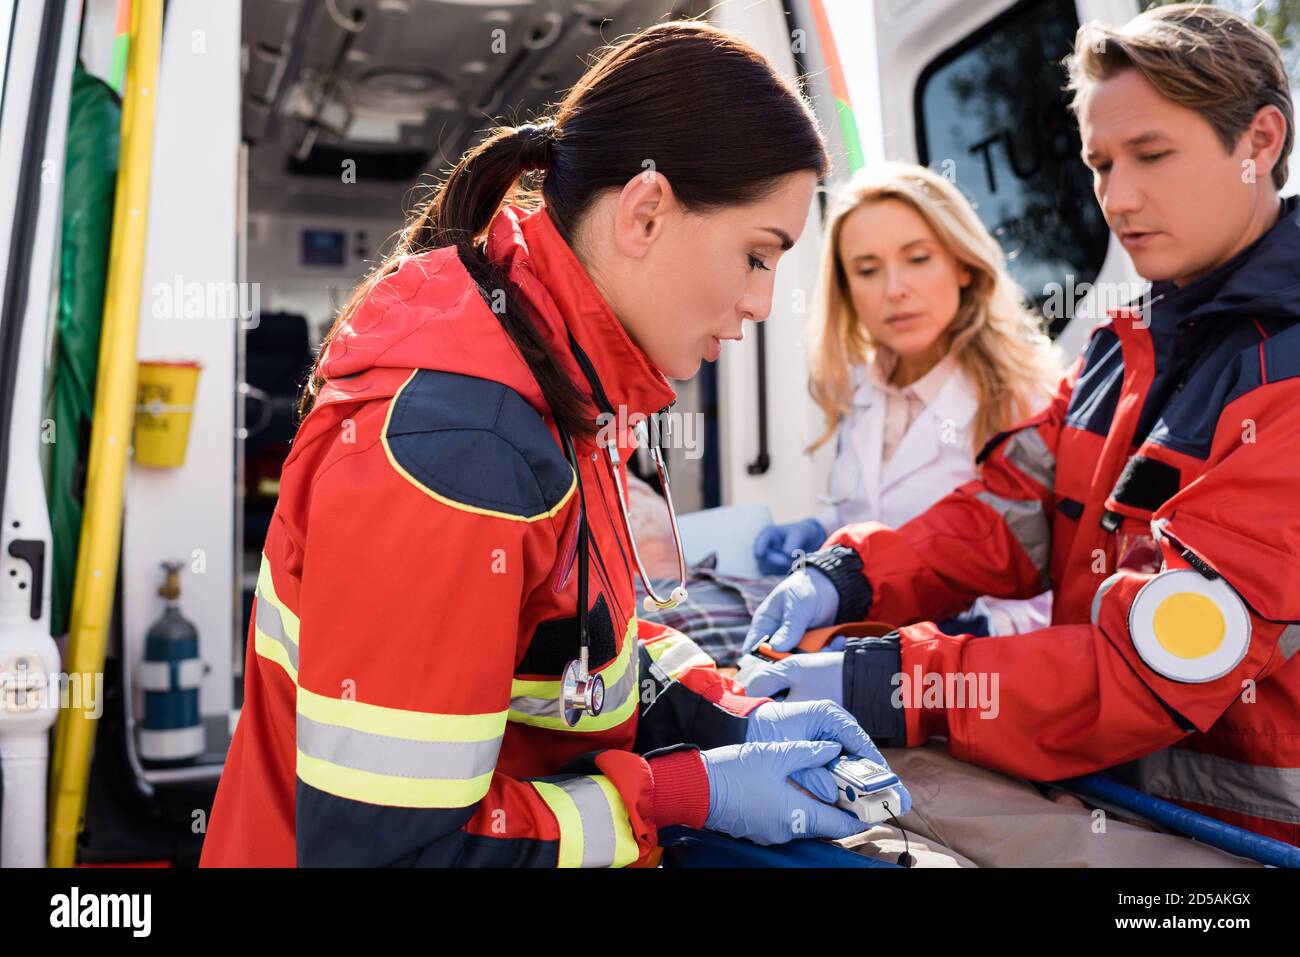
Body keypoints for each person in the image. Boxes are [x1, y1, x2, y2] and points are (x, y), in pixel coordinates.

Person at [199, 21, 897, 868]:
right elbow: (388, 852)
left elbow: (572, 646)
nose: (763, 301)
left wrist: (725, 709)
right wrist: (678, 792)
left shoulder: (556, 381)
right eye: (757, 255)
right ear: (645, 213)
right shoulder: (461, 448)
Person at [742, 3, 1300, 853]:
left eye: (1152, 155)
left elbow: (1142, 674)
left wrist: (897, 681)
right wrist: (849, 573)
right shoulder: (1126, 346)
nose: (1117, 196)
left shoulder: (1288, 375)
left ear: (1260, 142)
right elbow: (1008, 514)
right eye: (1100, 163)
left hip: (1241, 841)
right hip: (1111, 788)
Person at [752, 162, 1062, 637]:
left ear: (963, 265)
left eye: (918, 259)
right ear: (847, 290)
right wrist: (817, 531)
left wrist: (972, 630)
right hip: (856, 642)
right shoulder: (861, 388)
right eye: (868, 270)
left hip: (959, 678)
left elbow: (1051, 595)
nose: (895, 290)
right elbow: (870, 513)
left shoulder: (1025, 400)